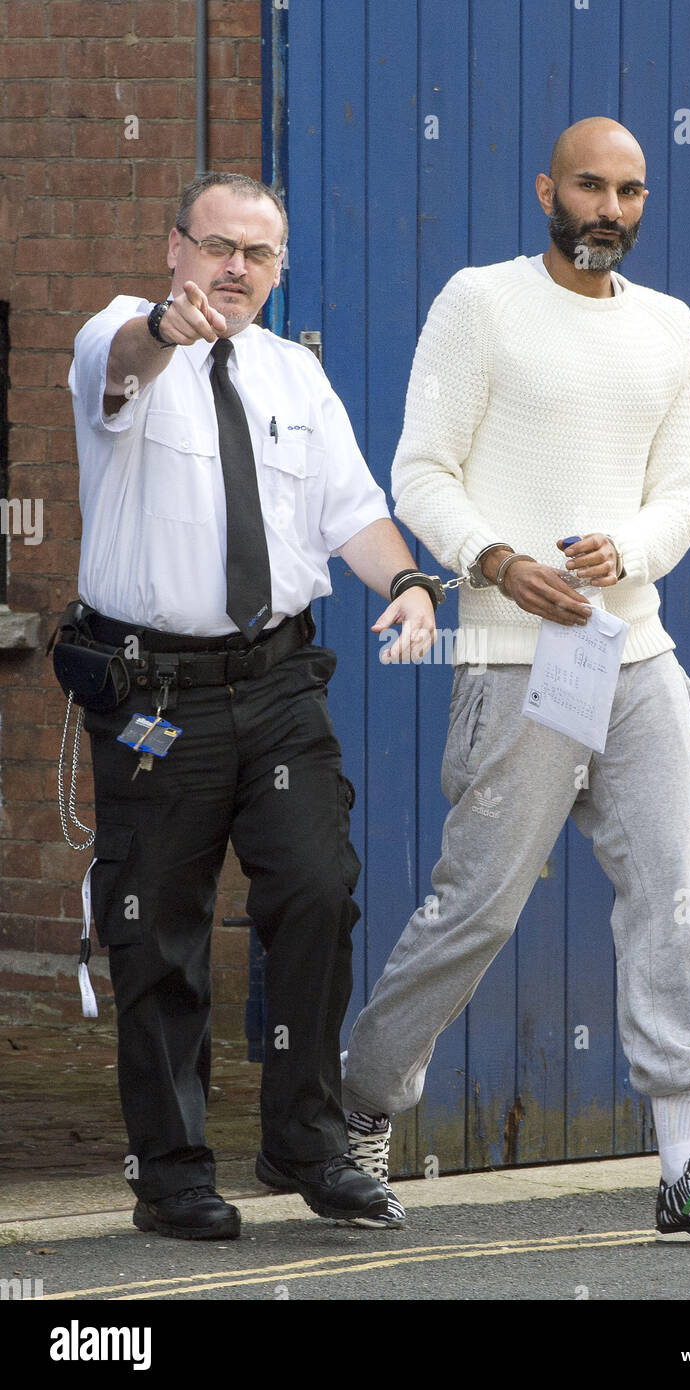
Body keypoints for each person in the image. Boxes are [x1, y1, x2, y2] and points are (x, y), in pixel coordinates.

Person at [342, 119, 690, 1244]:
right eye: (590, 186)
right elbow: (421, 469)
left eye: (630, 192)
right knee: (477, 907)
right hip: (509, 653)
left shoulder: (669, 327)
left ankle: (686, 1166)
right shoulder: (479, 302)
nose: (610, 209)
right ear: (546, 187)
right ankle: (354, 1107)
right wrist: (497, 562)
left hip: (634, 653)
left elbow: (681, 490)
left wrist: (624, 553)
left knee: (670, 903)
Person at [66, 171, 435, 1239]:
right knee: (159, 926)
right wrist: (157, 332)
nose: (234, 269)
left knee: (318, 890)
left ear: (277, 270)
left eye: (257, 254)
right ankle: (172, 1170)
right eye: (216, 246)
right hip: (155, 694)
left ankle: (303, 1139)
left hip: (276, 681)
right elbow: (121, 370)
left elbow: (352, 513)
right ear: (173, 246)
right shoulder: (116, 337)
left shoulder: (293, 374)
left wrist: (406, 583)